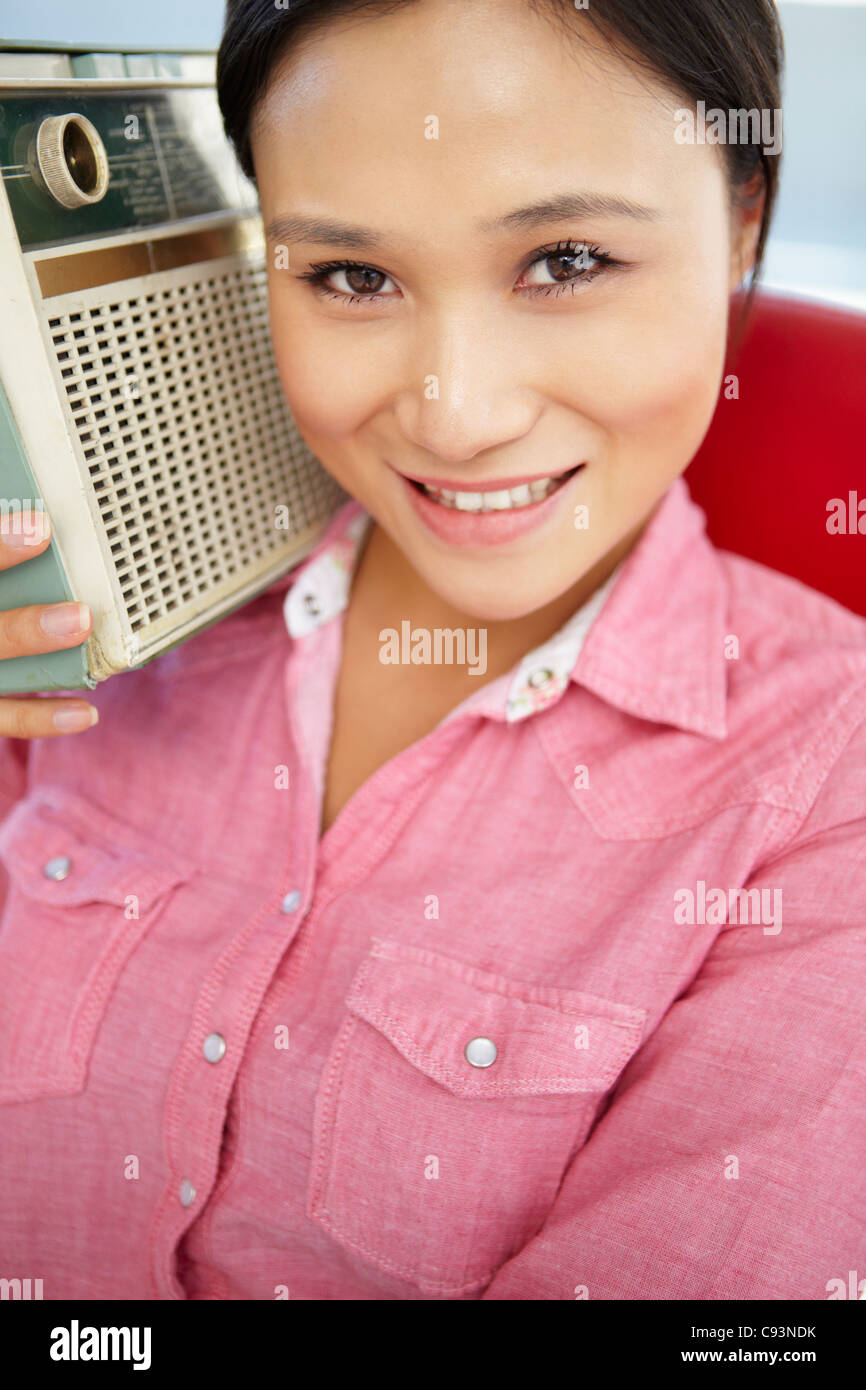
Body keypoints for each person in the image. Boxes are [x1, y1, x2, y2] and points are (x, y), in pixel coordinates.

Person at [0, 0, 863, 1300]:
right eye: (350, 276)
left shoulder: (825, 790)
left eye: (565, 260)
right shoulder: (85, 623)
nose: (456, 416)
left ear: (740, 217)